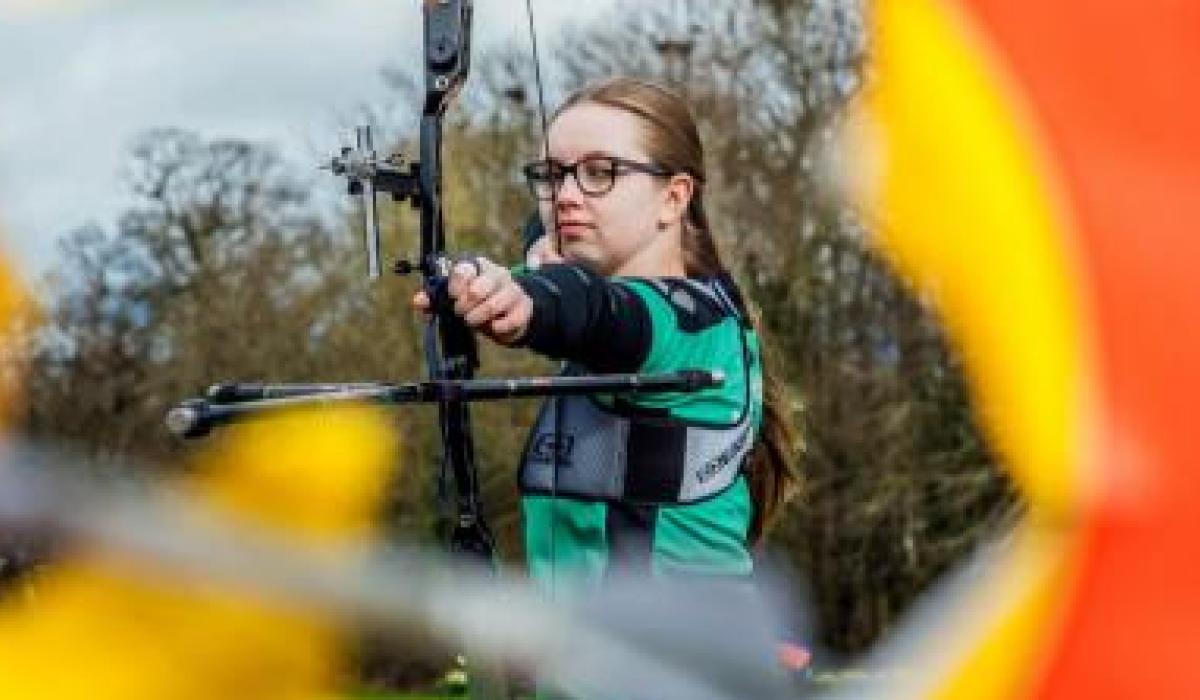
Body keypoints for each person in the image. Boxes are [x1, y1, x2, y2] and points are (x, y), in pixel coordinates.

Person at [414, 76, 798, 593]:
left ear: (673, 198)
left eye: (601, 172)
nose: (567, 195)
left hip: (675, 662)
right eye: (553, 175)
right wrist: (474, 279)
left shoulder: (694, 322)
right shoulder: (626, 294)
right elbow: (565, 277)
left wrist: (528, 301)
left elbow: (599, 314)